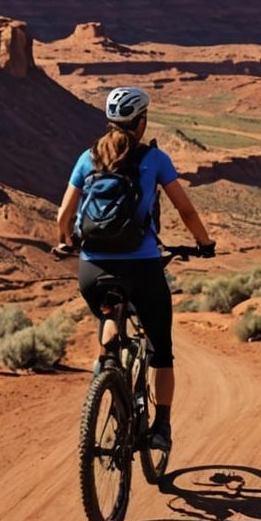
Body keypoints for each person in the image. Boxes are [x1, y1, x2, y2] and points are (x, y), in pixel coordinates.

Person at [55, 86, 214, 452]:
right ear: (141, 121)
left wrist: (66, 242)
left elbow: (63, 216)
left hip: (92, 271)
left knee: (109, 309)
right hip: (141, 267)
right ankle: (160, 428)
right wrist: (205, 245)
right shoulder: (154, 159)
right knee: (161, 350)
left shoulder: (88, 156)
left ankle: (107, 368)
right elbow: (186, 212)